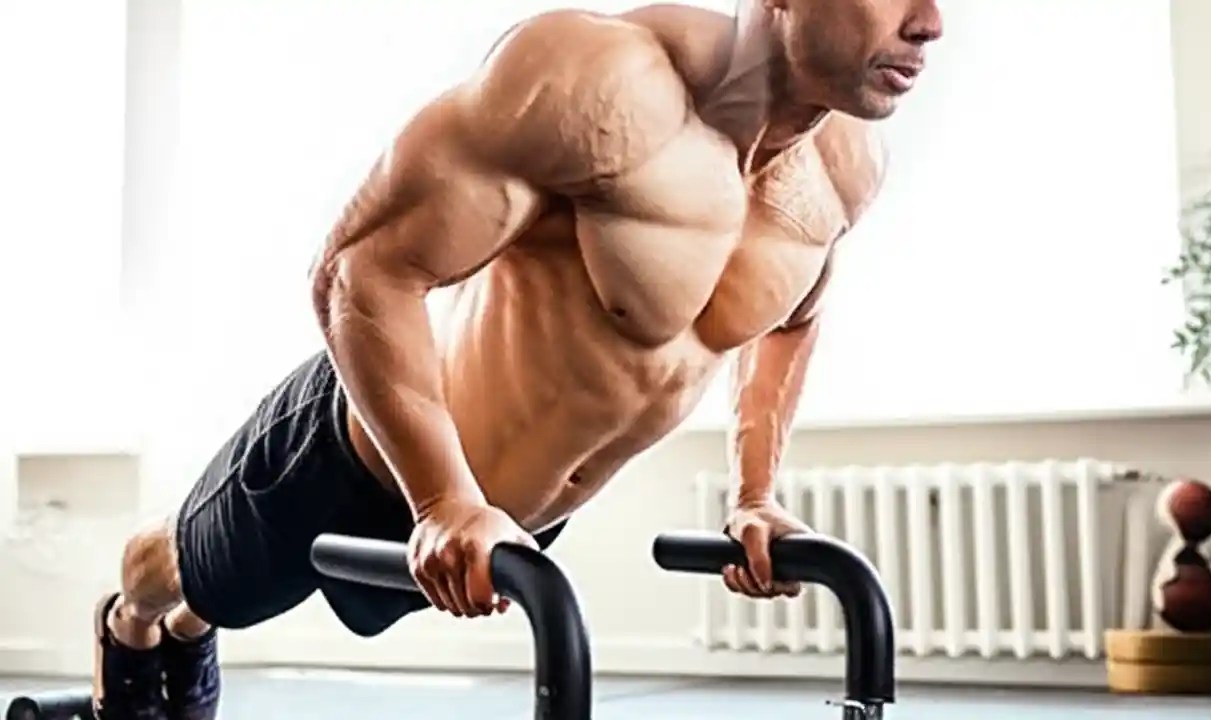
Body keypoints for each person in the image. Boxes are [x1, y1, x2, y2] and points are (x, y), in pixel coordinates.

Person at [91, 0, 942, 717]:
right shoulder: (602, 85)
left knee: (231, 596)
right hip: (359, 458)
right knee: (191, 582)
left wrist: (755, 496)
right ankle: (135, 623)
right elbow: (360, 269)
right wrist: (443, 498)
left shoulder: (845, 166)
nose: (931, 24)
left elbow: (792, 319)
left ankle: (192, 618)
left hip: (502, 523)